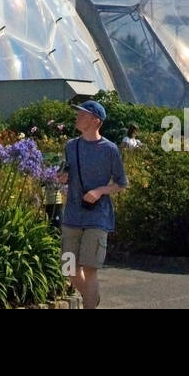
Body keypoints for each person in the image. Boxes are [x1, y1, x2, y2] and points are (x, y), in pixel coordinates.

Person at [56, 100, 127, 309]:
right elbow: (66, 173)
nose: (77, 117)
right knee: (67, 267)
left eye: (82, 115)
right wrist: (62, 177)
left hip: (97, 217)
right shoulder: (71, 146)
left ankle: (88, 304)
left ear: (96, 121)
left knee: (90, 268)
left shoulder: (110, 149)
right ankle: (91, 296)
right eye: (78, 114)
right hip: (72, 215)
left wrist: (99, 191)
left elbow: (121, 184)